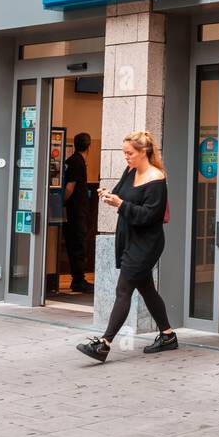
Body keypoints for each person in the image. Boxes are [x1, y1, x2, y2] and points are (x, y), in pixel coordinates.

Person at [77, 130, 178, 362]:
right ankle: (168, 335)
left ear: (144, 152)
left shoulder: (156, 179)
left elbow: (150, 215)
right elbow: (122, 195)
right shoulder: (131, 170)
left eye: (129, 153)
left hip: (147, 243)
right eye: (124, 153)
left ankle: (104, 343)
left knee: (123, 290)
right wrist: (109, 195)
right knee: (146, 289)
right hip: (130, 239)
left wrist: (121, 204)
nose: (126, 157)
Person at [62, 132, 92, 293]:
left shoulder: (71, 161)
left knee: (76, 243)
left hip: (74, 210)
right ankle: (78, 280)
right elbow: (70, 187)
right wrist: (63, 201)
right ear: (89, 146)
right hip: (76, 211)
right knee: (78, 244)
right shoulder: (78, 162)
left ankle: (78, 278)